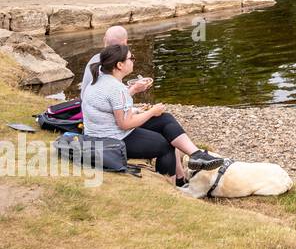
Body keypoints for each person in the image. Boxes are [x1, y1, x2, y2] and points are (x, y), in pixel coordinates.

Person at [80, 43, 222, 186]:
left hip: (101, 133)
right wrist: (151, 112)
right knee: (165, 145)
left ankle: (196, 155)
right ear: (119, 65)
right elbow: (124, 124)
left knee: (165, 118)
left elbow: (112, 108)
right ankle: (170, 187)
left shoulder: (99, 79)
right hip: (110, 141)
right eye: (131, 58)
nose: (133, 60)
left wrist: (138, 101)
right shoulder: (116, 88)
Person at [81, 25, 153, 98]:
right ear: (125, 43)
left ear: (104, 39)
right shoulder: (109, 65)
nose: (132, 61)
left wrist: (135, 87)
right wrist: (134, 89)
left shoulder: (95, 58)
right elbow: (113, 100)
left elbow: (111, 91)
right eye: (131, 58)